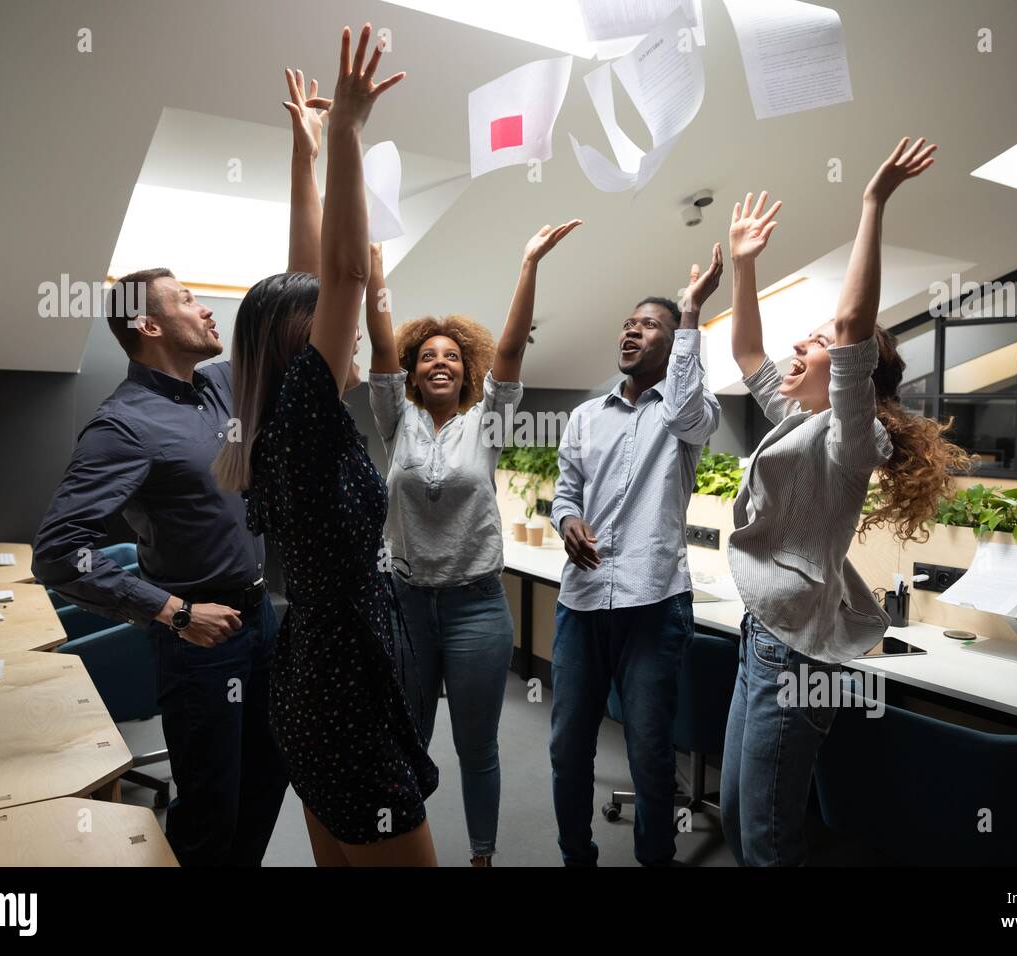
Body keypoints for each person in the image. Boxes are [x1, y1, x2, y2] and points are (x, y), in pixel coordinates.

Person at [213, 26, 439, 866]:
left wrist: (304, 154)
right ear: (298, 350)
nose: (350, 338)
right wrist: (347, 132)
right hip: (340, 684)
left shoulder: (283, 420)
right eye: (325, 334)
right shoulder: (301, 421)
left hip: (318, 676)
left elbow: (309, 277)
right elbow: (340, 275)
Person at [721, 138, 971, 866]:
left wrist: (873, 203)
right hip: (762, 637)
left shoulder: (847, 438)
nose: (805, 341)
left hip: (794, 654)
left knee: (768, 841)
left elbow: (856, 328)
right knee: (741, 822)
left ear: (854, 380)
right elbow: (743, 354)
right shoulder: (801, 420)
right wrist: (743, 265)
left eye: (821, 340)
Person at [32, 273, 286, 862]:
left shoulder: (221, 384)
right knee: (209, 809)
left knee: (266, 782)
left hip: (262, 622)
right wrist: (172, 613)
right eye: (189, 300)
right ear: (148, 325)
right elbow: (58, 551)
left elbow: (287, 327)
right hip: (200, 640)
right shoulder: (123, 425)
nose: (206, 310)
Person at [365, 218, 581, 866]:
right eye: (427, 354)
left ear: (468, 372)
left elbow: (512, 351)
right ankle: (409, 850)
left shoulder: (485, 424)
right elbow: (378, 344)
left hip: (476, 610)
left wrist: (529, 262)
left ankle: (482, 855)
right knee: (408, 741)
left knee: (476, 746)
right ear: (412, 370)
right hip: (405, 606)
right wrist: (375, 274)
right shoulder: (394, 420)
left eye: (451, 356)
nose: (438, 361)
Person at [547, 245, 724, 866]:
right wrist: (568, 521)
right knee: (568, 746)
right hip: (584, 601)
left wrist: (694, 313)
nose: (630, 329)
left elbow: (685, 409)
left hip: (655, 603)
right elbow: (564, 493)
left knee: (650, 750)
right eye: (628, 322)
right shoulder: (585, 417)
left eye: (647, 324)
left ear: (673, 344)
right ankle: (577, 857)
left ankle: (656, 859)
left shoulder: (689, 417)